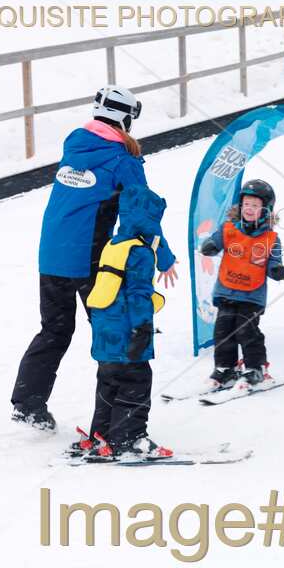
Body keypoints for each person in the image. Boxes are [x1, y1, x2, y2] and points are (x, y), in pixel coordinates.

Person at [10, 85, 178, 431]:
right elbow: (141, 215)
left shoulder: (76, 146)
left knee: (54, 330)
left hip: (52, 256)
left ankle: (28, 403)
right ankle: (116, 424)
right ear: (126, 118)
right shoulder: (122, 161)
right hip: (90, 260)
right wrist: (164, 255)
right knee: (112, 332)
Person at [81, 185, 173, 460]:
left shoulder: (114, 244)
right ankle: (130, 439)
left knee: (109, 382)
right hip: (126, 330)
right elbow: (137, 295)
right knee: (137, 381)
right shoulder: (140, 252)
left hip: (105, 329)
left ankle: (102, 435)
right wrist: (142, 328)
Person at [199, 179, 284, 392]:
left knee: (246, 330)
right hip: (226, 290)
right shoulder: (228, 229)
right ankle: (225, 368)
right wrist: (210, 246)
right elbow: (215, 241)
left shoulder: (270, 238)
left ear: (265, 210)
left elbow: (274, 260)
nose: (249, 209)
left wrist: (276, 270)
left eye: (255, 206)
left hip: (251, 296)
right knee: (223, 331)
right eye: (246, 204)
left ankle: (255, 368)